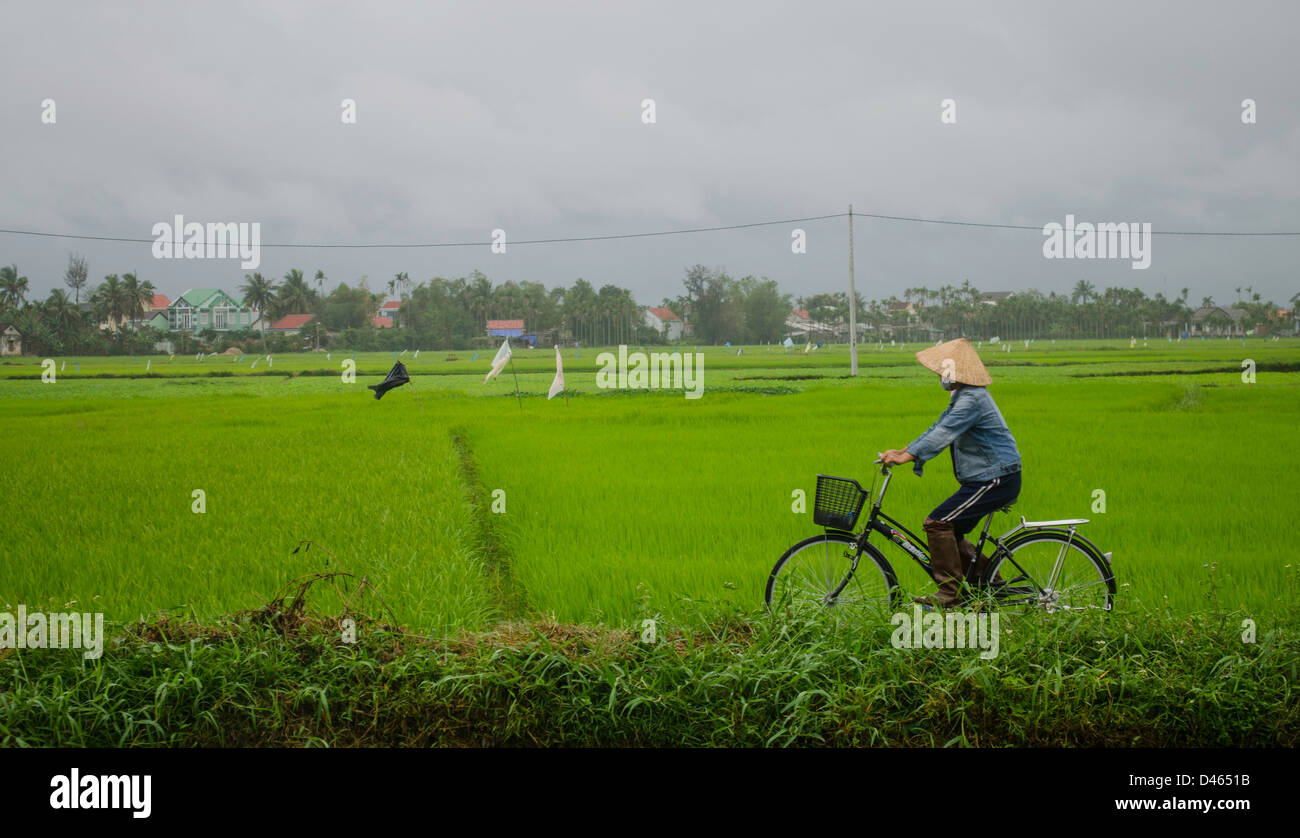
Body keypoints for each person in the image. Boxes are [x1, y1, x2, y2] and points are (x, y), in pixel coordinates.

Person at [879, 338, 1022, 609]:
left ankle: (949, 594)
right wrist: (904, 450)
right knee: (950, 529)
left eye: (942, 370)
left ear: (953, 372)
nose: (939, 376)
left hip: (996, 478)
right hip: (990, 477)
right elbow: (938, 426)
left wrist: (908, 457)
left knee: (938, 524)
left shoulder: (972, 400)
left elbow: (944, 434)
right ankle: (992, 587)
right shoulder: (963, 396)